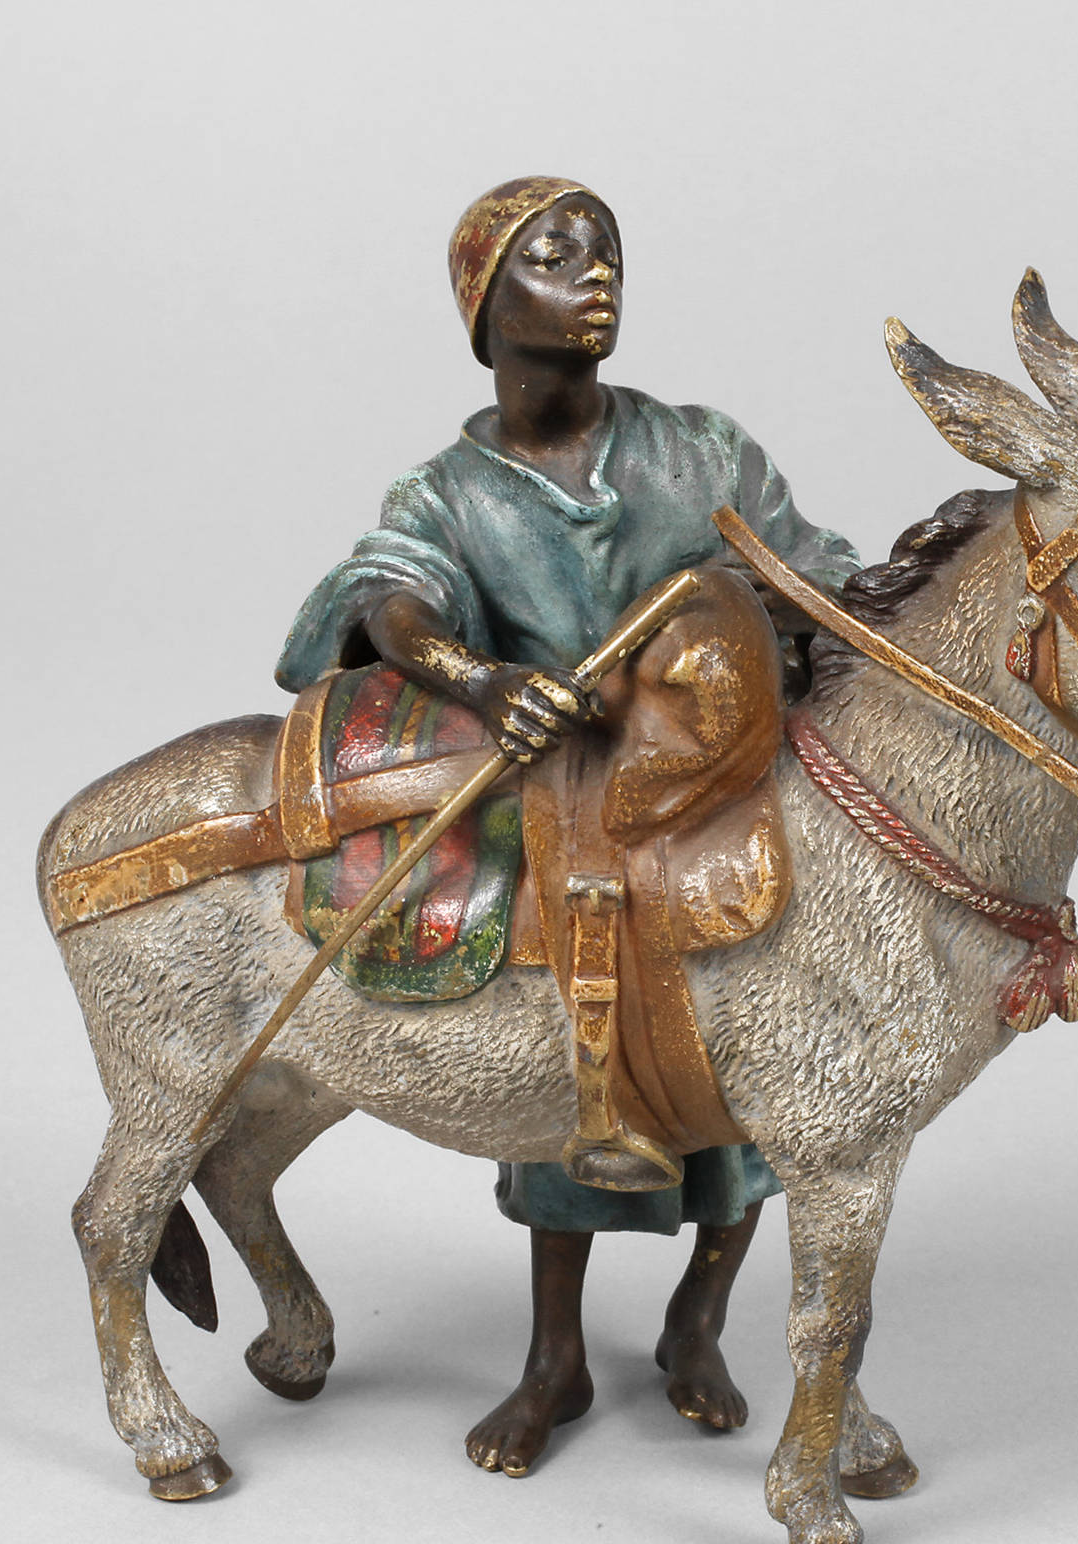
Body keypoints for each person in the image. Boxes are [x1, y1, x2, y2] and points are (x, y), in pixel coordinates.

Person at [276, 176, 861, 1476]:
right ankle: (555, 1356)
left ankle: (699, 1319)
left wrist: (777, 615)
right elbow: (388, 592)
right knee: (570, 1010)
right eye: (554, 255)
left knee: (757, 1014)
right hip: (560, 788)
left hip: (713, 773)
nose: (595, 274)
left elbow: (810, 569)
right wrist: (482, 678)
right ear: (487, 306)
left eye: (606, 251)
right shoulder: (449, 490)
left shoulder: (701, 450)